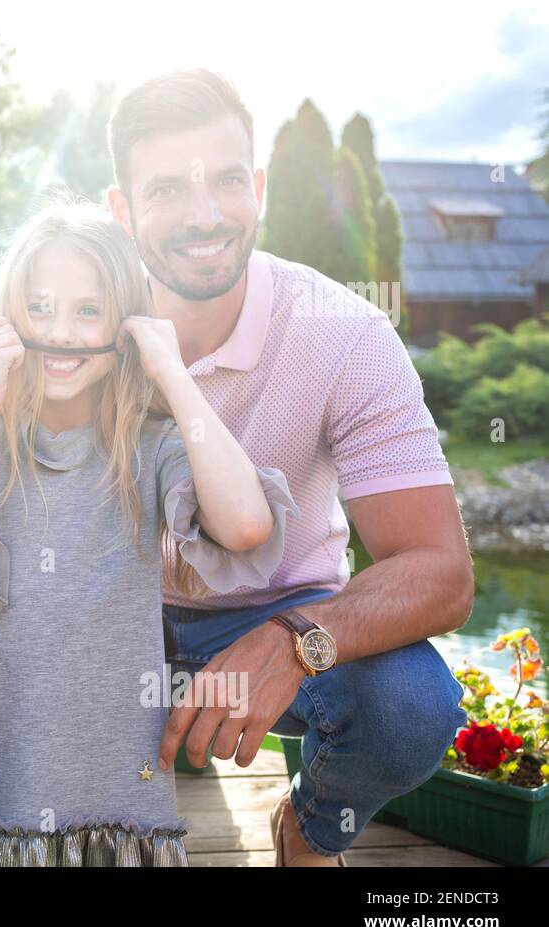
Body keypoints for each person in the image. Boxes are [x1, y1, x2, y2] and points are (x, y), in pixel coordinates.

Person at [105, 69, 473, 866]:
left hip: (275, 603)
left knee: (411, 707)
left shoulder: (344, 333)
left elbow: (441, 573)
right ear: (122, 210)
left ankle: (309, 833)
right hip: (110, 616)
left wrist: (293, 637)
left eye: (228, 180)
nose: (206, 217)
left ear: (260, 188)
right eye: (168, 189)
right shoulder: (75, 325)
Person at [0, 200, 298, 866]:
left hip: (115, 800)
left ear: (126, 323)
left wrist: (172, 372)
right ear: (10, 316)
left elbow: (247, 525)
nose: (64, 332)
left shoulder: (150, 445)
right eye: (42, 308)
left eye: (88, 311)